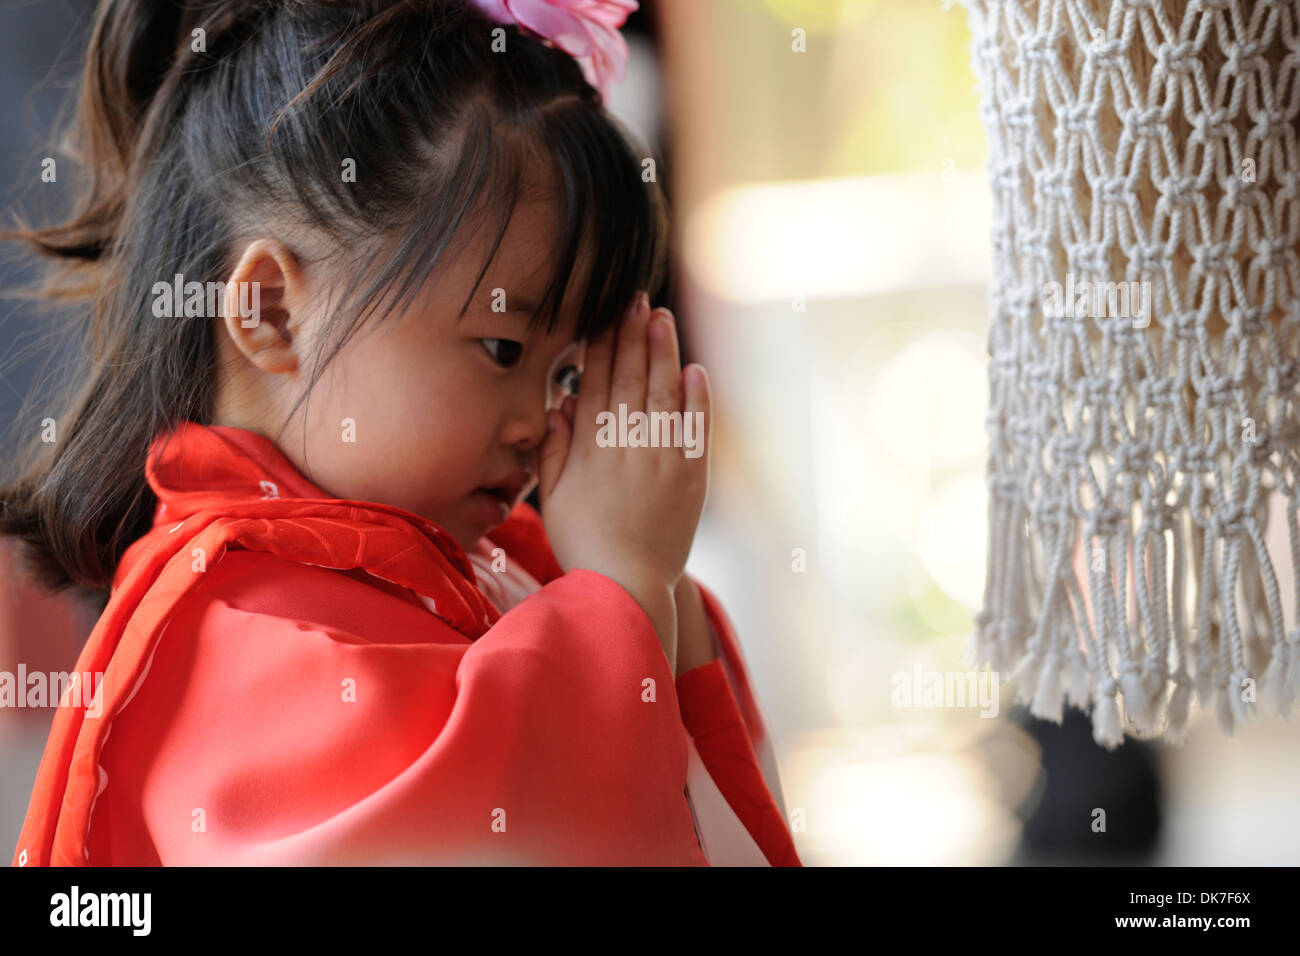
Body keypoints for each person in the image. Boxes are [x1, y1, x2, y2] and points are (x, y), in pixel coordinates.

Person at [1, 0, 800, 866]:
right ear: (271, 311)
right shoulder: (238, 637)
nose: (542, 423)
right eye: (503, 347)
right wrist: (621, 597)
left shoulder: (517, 568)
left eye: (568, 375)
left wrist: (647, 595)